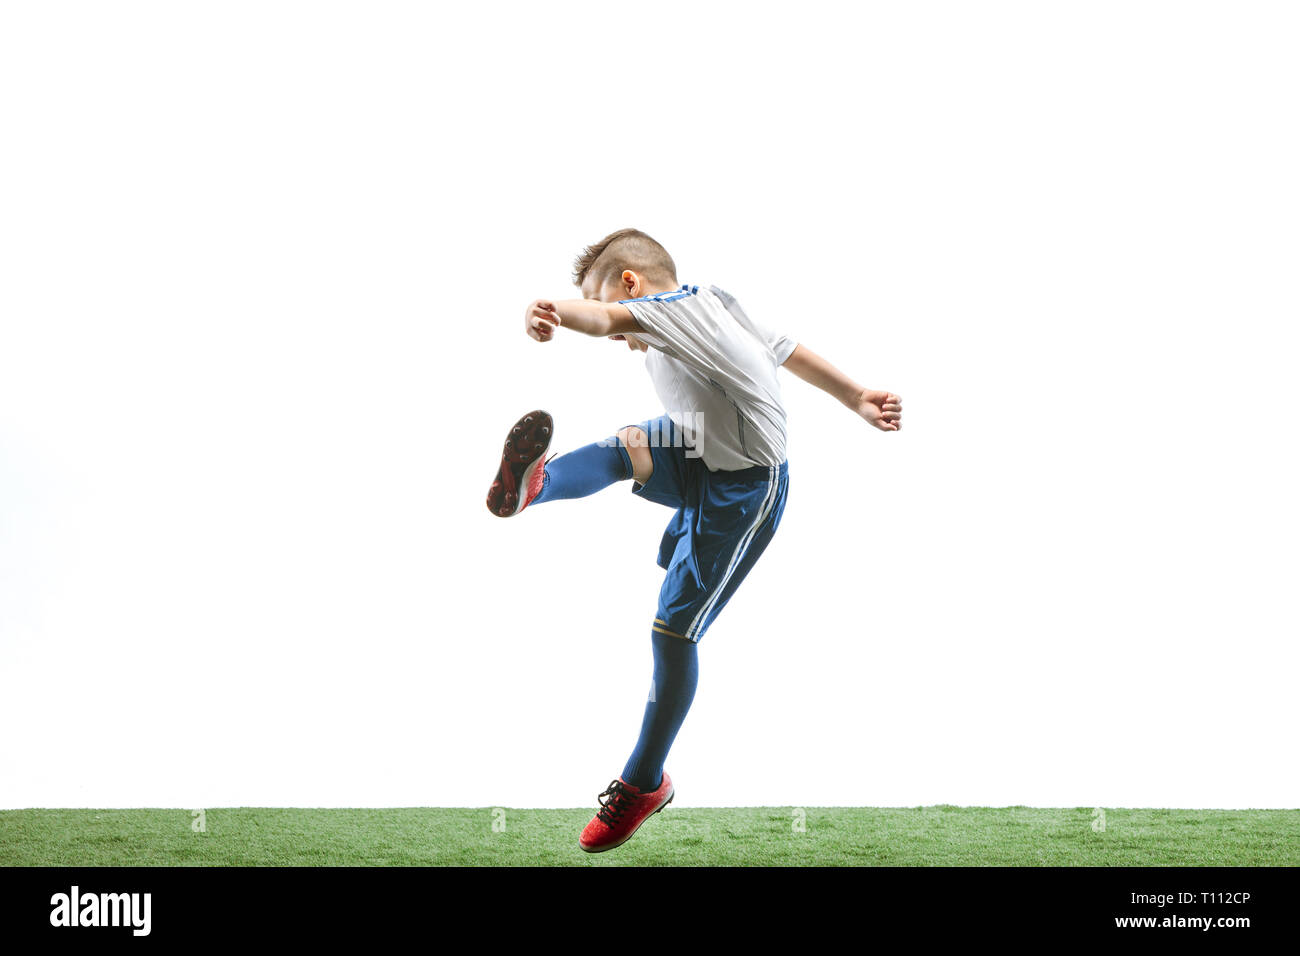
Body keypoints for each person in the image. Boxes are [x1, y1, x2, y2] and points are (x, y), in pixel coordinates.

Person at [486, 228, 902, 852]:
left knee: (672, 632)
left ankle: (644, 782)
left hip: (745, 488)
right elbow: (786, 348)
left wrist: (547, 312)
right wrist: (855, 394)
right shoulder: (715, 301)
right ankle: (532, 488)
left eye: (620, 310)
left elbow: (601, 321)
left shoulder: (669, 311)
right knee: (628, 445)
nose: (624, 338)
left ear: (632, 285)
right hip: (696, 442)